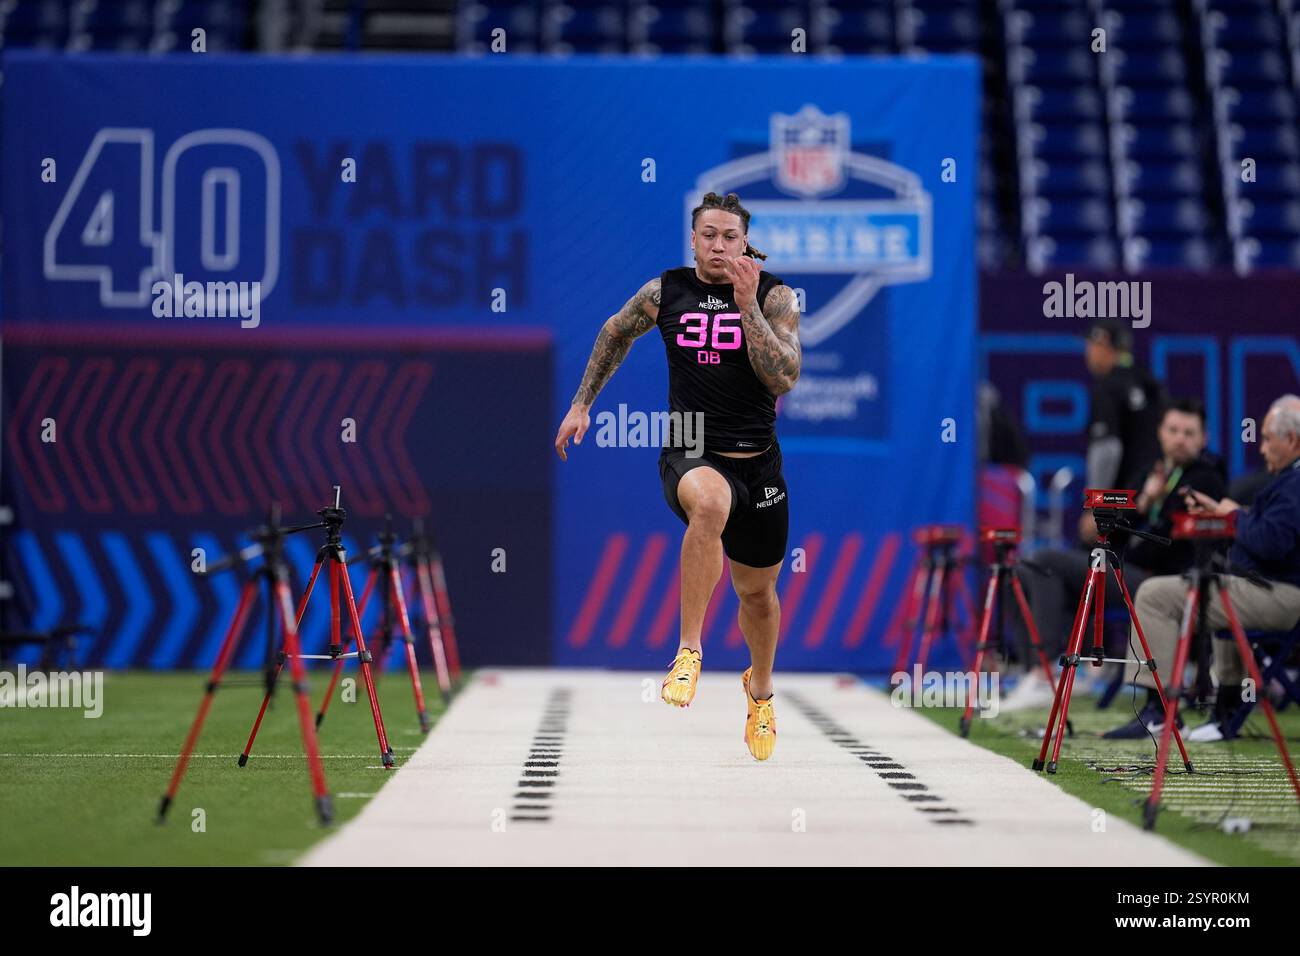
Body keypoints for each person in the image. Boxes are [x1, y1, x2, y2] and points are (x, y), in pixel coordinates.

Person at [553, 191, 801, 761]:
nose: (718, 245)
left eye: (730, 237)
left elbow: (784, 376)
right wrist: (582, 404)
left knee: (757, 594)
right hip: (690, 445)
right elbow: (615, 331)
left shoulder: (774, 296)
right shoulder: (665, 291)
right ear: (693, 240)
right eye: (708, 235)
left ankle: (760, 693)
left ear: (746, 243)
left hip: (759, 459)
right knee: (709, 504)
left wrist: (746, 306)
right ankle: (689, 649)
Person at [1004, 399, 1226, 711]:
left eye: (1189, 433)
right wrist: (1140, 503)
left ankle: (1046, 672)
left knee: (1044, 561)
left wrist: (1145, 508)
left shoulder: (1206, 479)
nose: (1180, 439)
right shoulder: (1152, 471)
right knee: (1021, 570)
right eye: (1173, 430)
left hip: (1161, 581)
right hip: (1125, 568)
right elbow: (1111, 527)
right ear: (1160, 432)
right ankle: (1042, 670)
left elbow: (1170, 544)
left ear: (1204, 438)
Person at [1102, 395, 1300, 740]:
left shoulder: (1294, 484)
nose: (1261, 447)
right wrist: (1227, 512)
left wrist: (1231, 515)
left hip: (1282, 595)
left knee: (1154, 595)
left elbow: (1271, 542)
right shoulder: (1289, 481)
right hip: (1272, 588)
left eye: (1268, 439)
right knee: (1219, 583)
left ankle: (1160, 711)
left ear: (1292, 441)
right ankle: (1227, 710)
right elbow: (1275, 532)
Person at [1078, 319, 1166, 545]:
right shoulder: (1149, 381)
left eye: (1089, 346)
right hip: (1153, 500)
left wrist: (1096, 507)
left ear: (1102, 343)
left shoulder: (1108, 386)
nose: (1087, 354)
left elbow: (1107, 450)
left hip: (1119, 505)